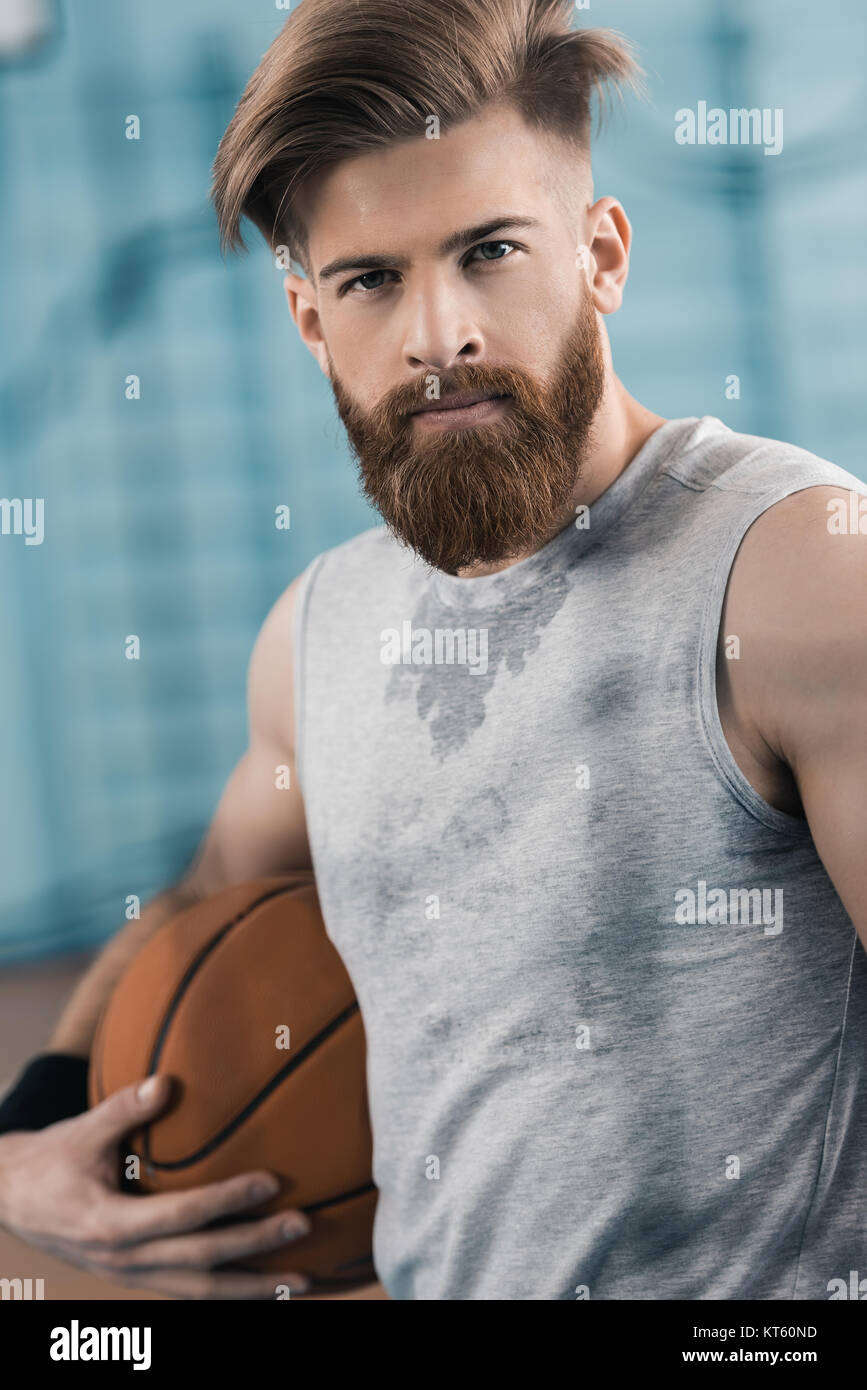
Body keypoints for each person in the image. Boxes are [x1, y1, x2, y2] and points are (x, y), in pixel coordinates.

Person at [2, 0, 866, 1300]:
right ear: (310, 321)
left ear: (602, 253)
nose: (438, 333)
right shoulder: (316, 633)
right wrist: (27, 1130)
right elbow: (202, 902)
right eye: (371, 278)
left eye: (489, 251)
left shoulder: (800, 574)